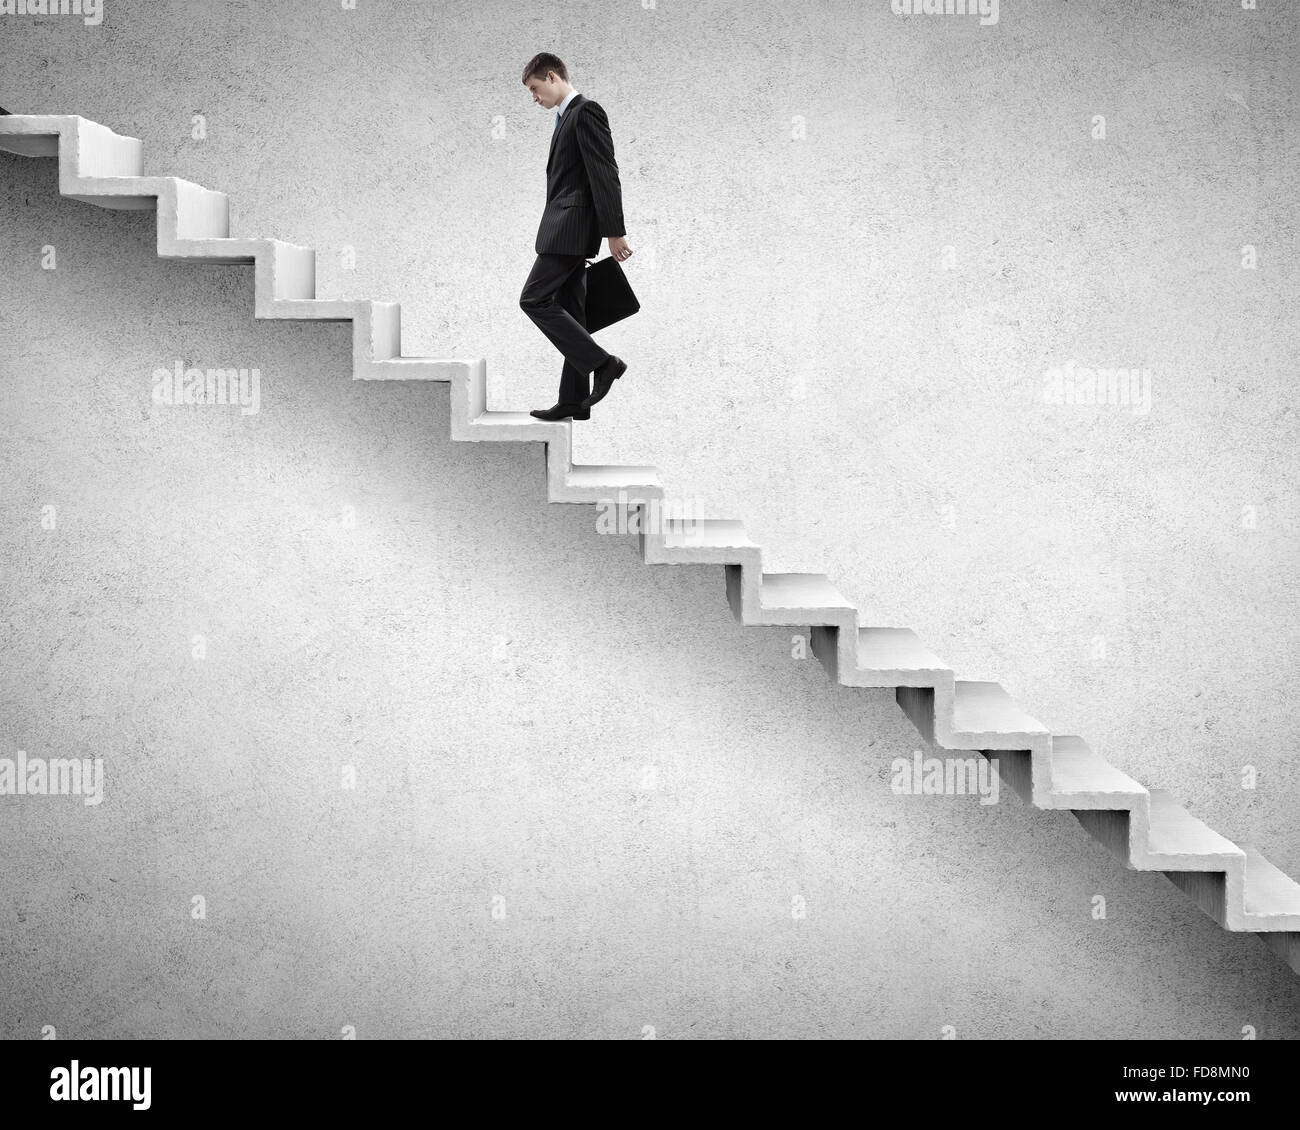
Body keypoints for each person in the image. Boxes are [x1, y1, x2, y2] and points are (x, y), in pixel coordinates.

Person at [520, 52, 631, 422]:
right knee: (573, 313)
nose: (533, 97)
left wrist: (614, 232)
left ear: (552, 77)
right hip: (566, 228)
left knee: (533, 299)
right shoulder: (564, 117)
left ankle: (604, 363)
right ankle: (571, 400)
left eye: (535, 89)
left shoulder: (586, 112)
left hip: (570, 231)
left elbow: (605, 173)